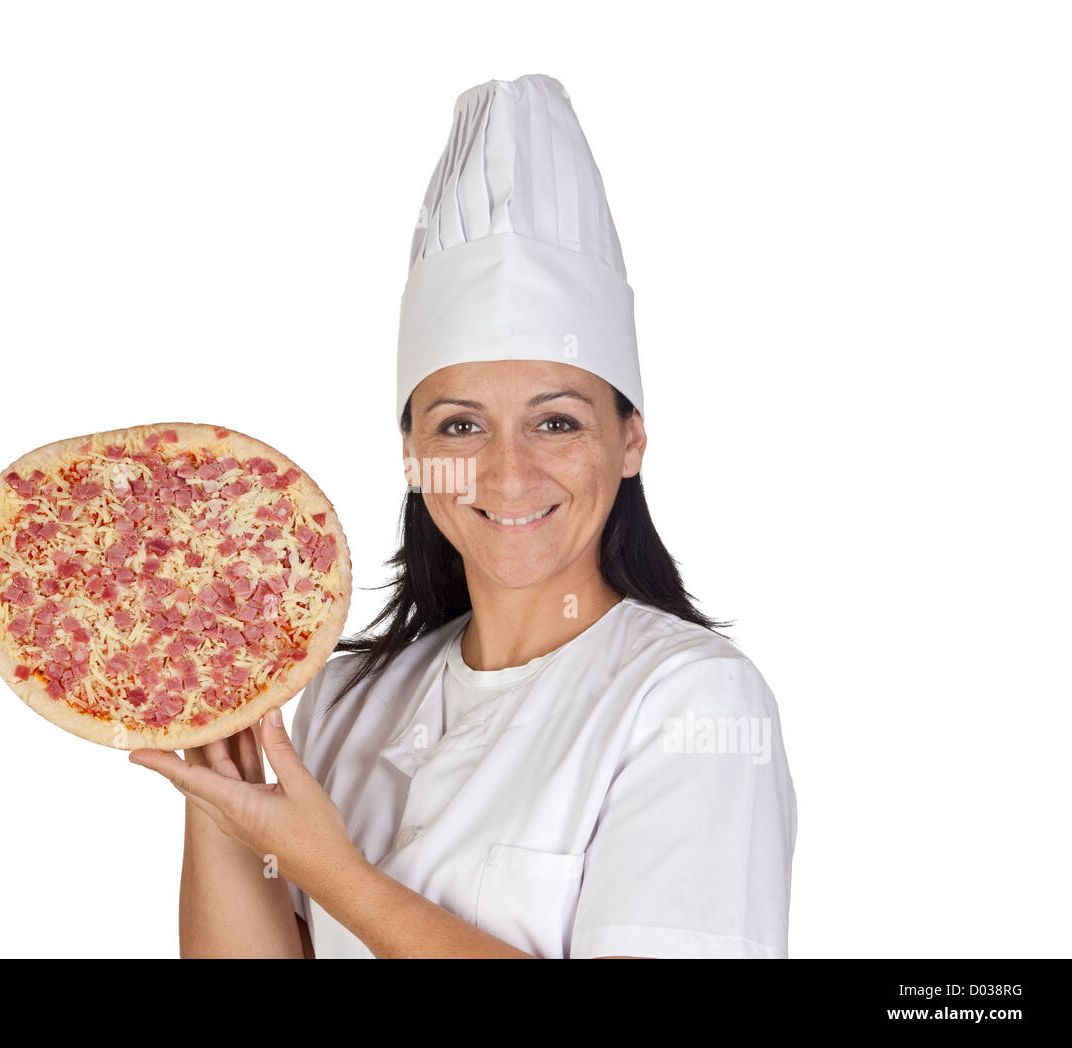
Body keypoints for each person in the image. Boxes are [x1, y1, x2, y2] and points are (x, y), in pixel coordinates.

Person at [130, 73, 797, 959]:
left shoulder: (690, 700)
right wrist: (218, 787)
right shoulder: (343, 700)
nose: (507, 471)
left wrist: (333, 873)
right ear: (413, 456)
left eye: (557, 421)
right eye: (461, 425)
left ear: (630, 440)